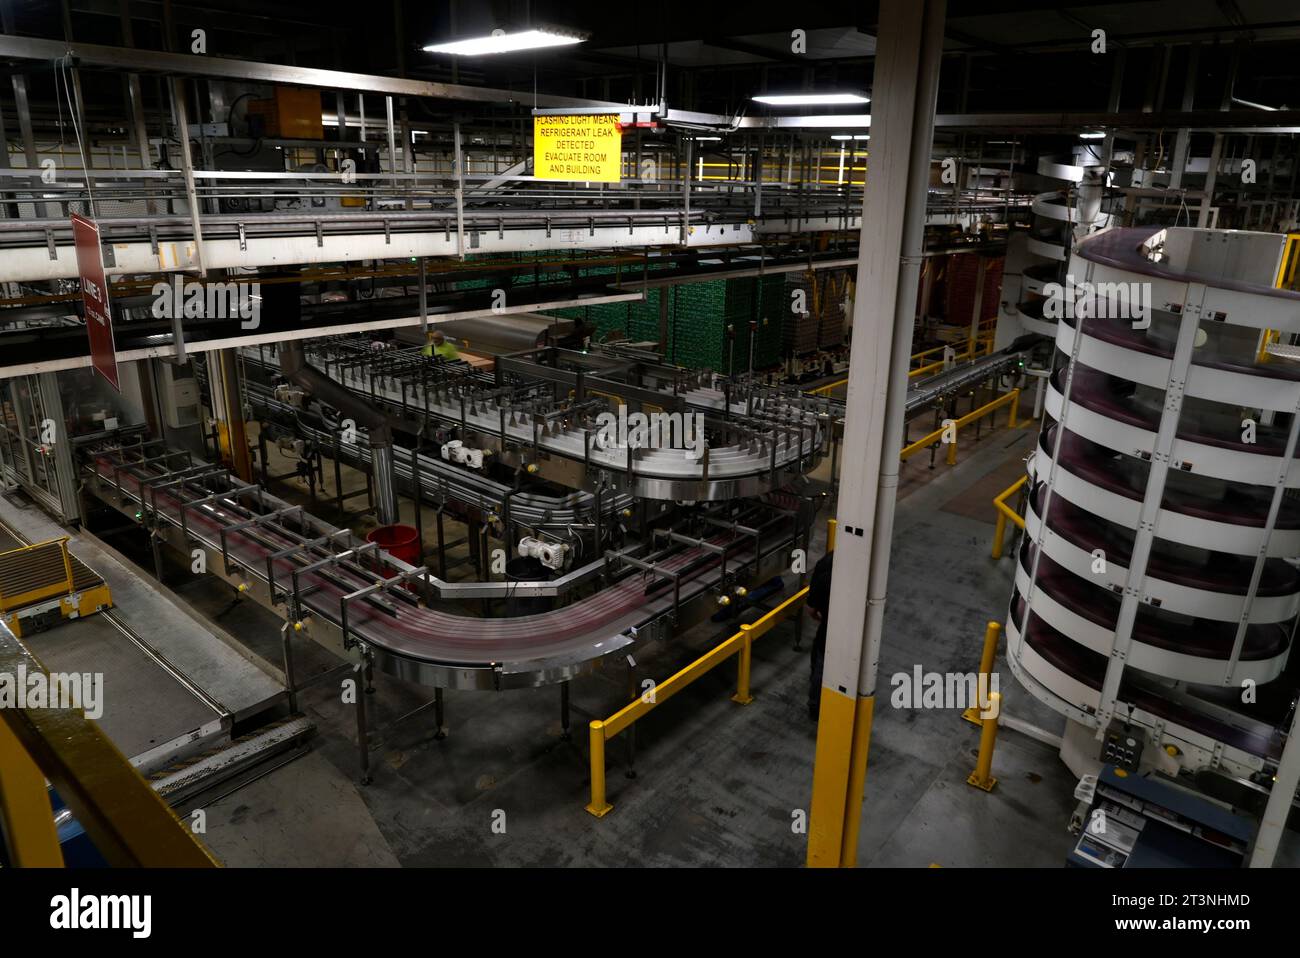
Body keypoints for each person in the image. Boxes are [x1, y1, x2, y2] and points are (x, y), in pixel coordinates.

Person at [805, 549, 834, 721]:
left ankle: (815, 705)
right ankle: (816, 703)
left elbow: (811, 607)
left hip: (828, 623)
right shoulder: (864, 568)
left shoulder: (826, 562)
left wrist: (818, 612)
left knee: (820, 661)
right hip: (848, 627)